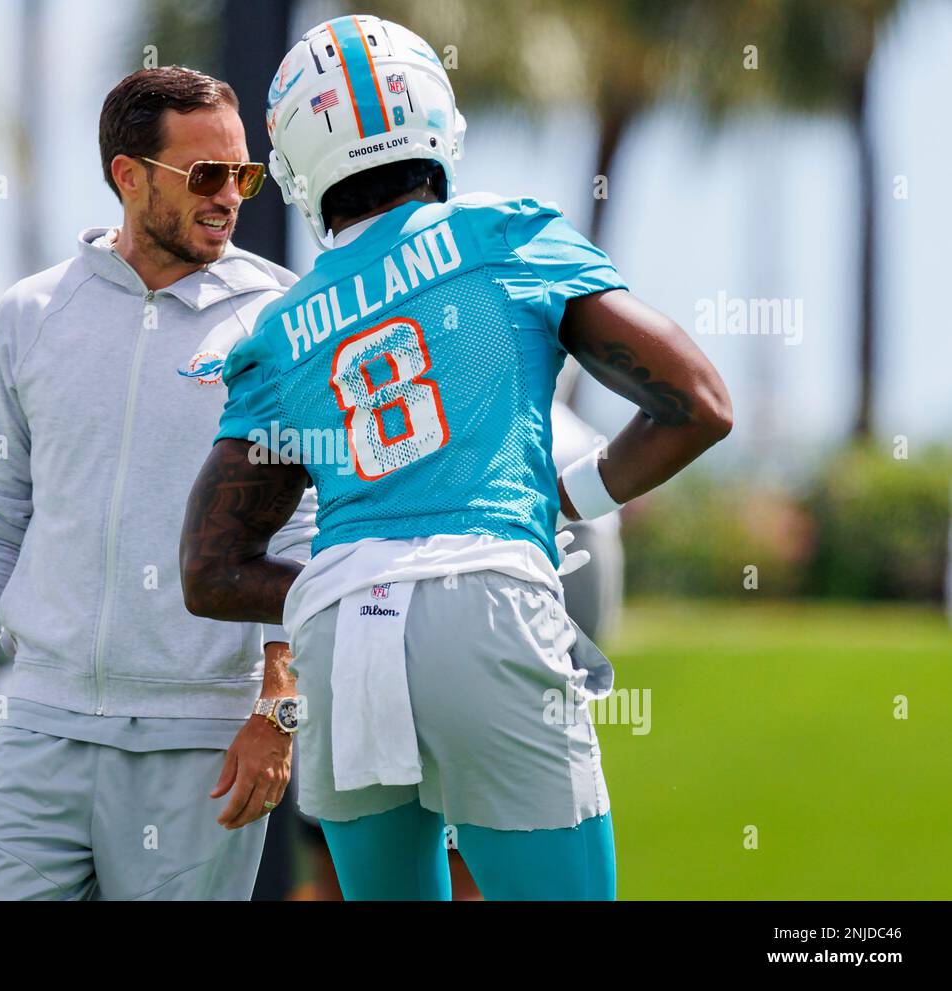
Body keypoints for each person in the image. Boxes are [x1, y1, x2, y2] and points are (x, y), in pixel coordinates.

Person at [180, 14, 733, 900]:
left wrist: (357, 572)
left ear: (296, 160)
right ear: (434, 116)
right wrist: (566, 499)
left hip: (340, 634)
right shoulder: (504, 237)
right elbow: (698, 403)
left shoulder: (279, 328)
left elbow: (209, 571)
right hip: (486, 595)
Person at [0, 66, 316, 901]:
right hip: (37, 727)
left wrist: (278, 711)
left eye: (243, 174)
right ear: (127, 177)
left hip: (202, 741)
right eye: (205, 175)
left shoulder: (283, 314)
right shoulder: (31, 313)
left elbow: (300, 536)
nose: (230, 198)